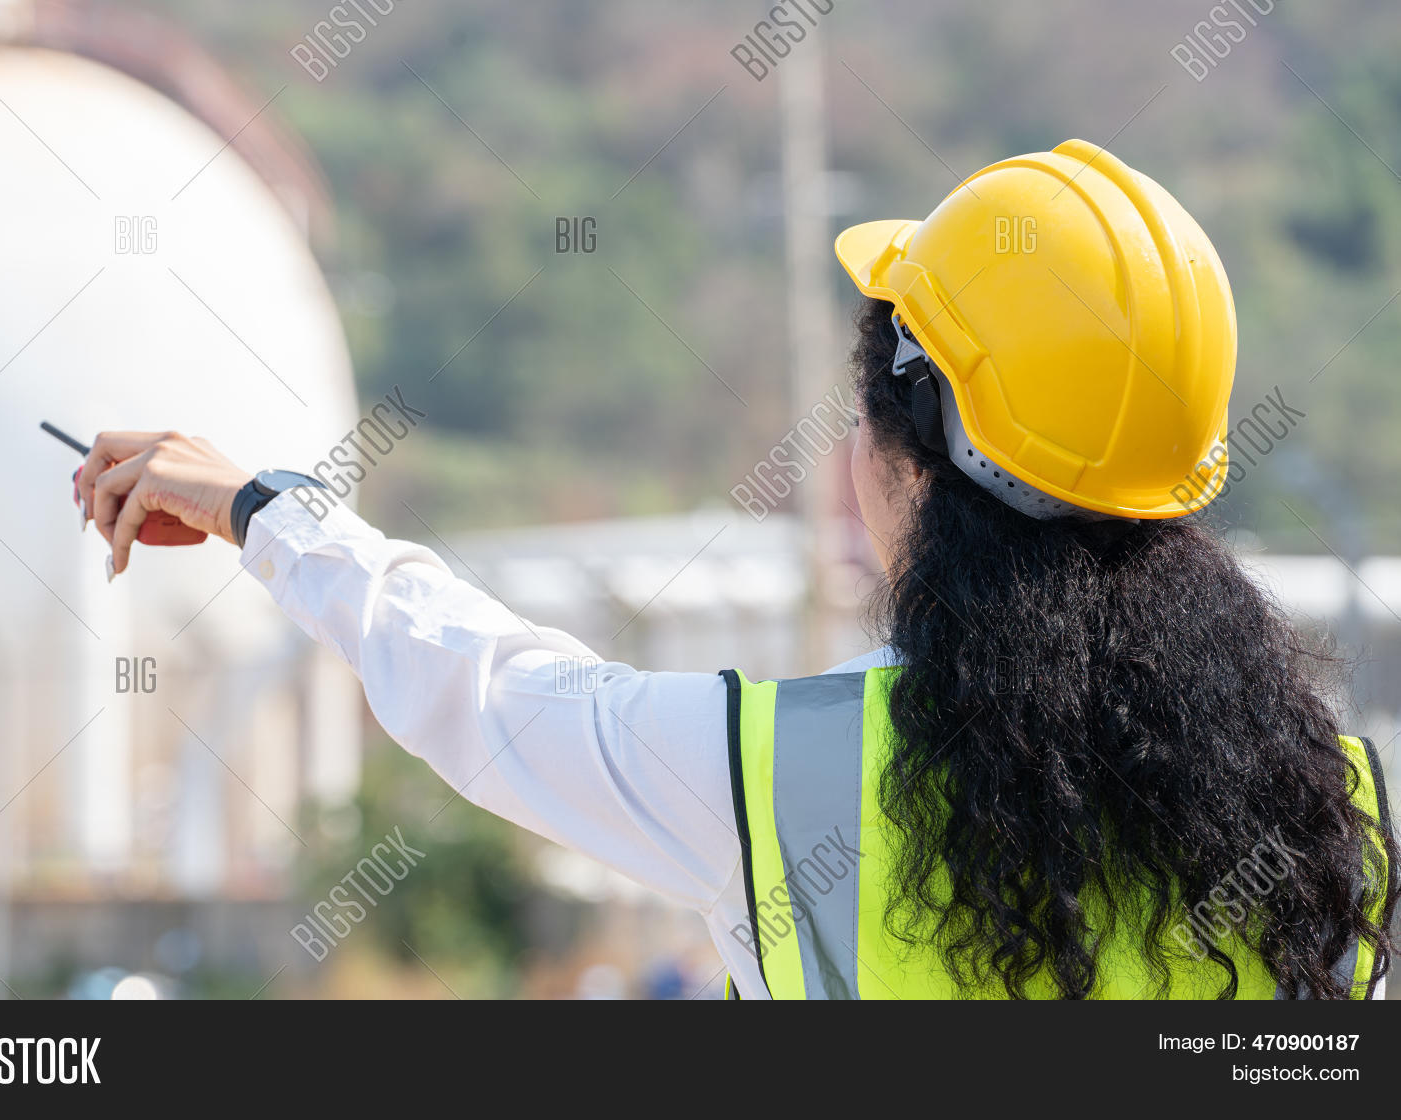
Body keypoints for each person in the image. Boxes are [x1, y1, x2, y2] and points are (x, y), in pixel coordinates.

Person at [75, 140, 1396, 999]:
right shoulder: (1350, 815)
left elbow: (486, 695)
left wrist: (269, 511)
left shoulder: (786, 781)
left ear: (905, 458)